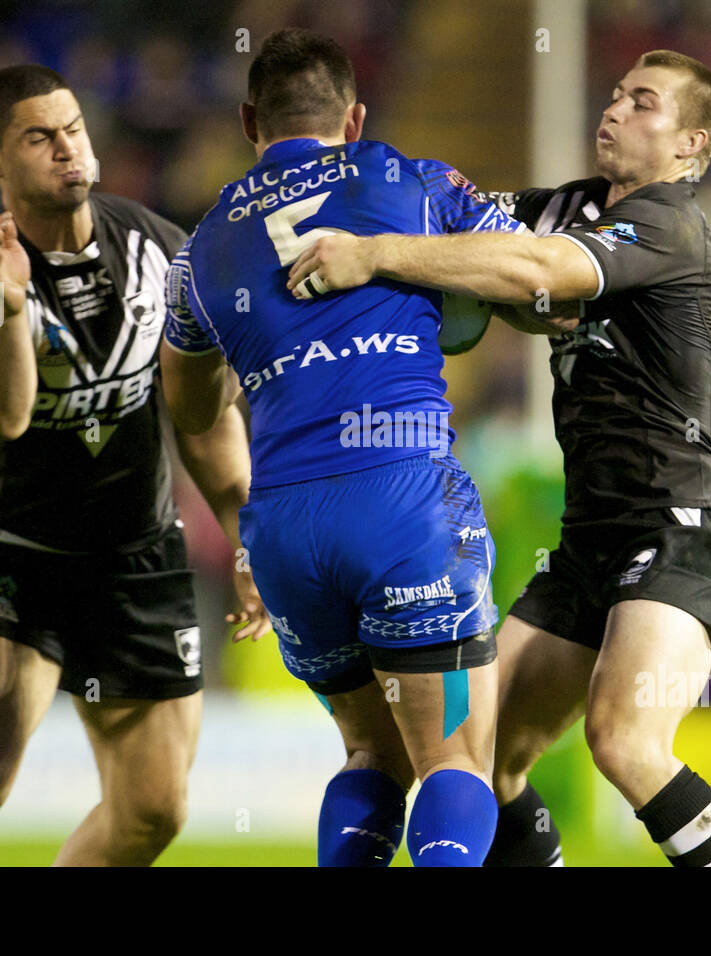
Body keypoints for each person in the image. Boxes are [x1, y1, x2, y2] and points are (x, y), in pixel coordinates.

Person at [288, 50, 711, 868]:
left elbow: (544, 268)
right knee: (483, 755)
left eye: (643, 103)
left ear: (691, 144)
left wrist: (373, 255)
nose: (614, 110)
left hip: (683, 527)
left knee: (624, 739)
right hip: (590, 539)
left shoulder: (669, 223)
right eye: (615, 95)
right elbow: (452, 213)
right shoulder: (566, 205)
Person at [0, 64, 267, 867]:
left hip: (137, 559)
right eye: (39, 137)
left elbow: (203, 412)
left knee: (154, 809)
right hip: (14, 559)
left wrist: (248, 532)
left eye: (74, 128)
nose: (66, 149)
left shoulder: (161, 251)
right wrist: (13, 309)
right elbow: (1, 412)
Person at [162, 29, 526, 867]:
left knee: (373, 757)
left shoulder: (200, 252)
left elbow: (188, 404)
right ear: (354, 118)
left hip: (286, 526)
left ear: (250, 120)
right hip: (402, 499)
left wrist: (244, 508)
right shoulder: (416, 179)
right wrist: (417, 270)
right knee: (454, 759)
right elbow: (535, 270)